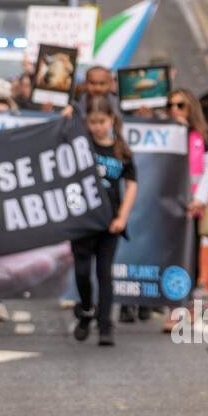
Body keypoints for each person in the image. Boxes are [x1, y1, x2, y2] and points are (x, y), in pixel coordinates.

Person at [72, 97, 136, 347]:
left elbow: (131, 185)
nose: (98, 127)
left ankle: (105, 325)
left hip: (110, 222)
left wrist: (122, 217)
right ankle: (87, 309)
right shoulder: (82, 147)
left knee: (104, 272)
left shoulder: (121, 151)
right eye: (93, 122)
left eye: (102, 121)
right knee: (82, 272)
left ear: (111, 121)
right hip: (83, 221)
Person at [160, 87, 208, 330]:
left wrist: (199, 200)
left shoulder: (202, 136)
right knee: (167, 254)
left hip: (191, 206)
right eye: (171, 105)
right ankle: (173, 306)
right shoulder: (162, 133)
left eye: (180, 105)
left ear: (190, 107)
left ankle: (187, 304)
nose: (175, 110)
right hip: (165, 205)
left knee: (189, 254)